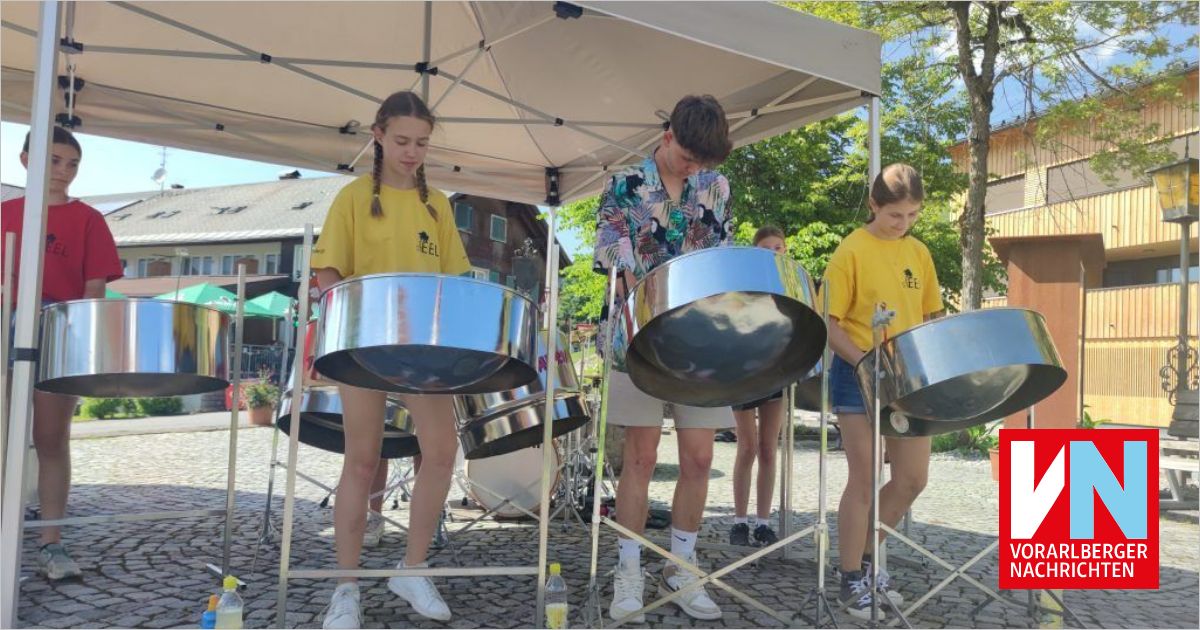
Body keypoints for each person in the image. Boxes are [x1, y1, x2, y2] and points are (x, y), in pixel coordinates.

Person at [310, 91, 471, 629]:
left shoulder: (437, 204)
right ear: (377, 136)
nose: (412, 152)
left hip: (424, 350)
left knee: (442, 451)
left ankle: (413, 568)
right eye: (402, 141)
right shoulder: (354, 197)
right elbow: (328, 274)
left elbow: (455, 281)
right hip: (365, 345)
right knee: (362, 460)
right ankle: (346, 588)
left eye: (421, 143)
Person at [594, 94, 734, 622]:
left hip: (700, 341)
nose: (694, 168)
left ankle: (681, 566)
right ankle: (628, 570)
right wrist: (649, 313)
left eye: (703, 161)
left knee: (699, 458)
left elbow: (718, 260)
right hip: (637, 338)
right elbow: (617, 263)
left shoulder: (716, 187)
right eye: (688, 157)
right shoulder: (625, 184)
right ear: (668, 134)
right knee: (641, 457)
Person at [820, 164, 944, 620]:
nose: (903, 223)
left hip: (907, 376)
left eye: (912, 215)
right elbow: (827, 323)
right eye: (895, 215)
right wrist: (865, 363)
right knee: (866, 476)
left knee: (912, 478)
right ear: (873, 205)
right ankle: (850, 577)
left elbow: (930, 316)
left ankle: (870, 561)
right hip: (858, 371)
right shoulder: (850, 250)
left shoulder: (920, 252)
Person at [1, 127, 123, 581]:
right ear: (26, 159)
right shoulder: (5, 213)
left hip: (60, 329)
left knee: (51, 439)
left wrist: (83, 346)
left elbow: (94, 290)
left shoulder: (89, 219)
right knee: (3, 437)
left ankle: (51, 542)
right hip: (5, 325)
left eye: (72, 164)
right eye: (54, 160)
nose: (63, 172)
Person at [728, 226, 788, 548]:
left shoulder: (788, 285)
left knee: (768, 448)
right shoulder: (744, 286)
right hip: (744, 371)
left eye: (778, 247)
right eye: (767, 248)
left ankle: (763, 523)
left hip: (776, 370)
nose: (773, 252)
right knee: (747, 446)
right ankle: (739, 520)